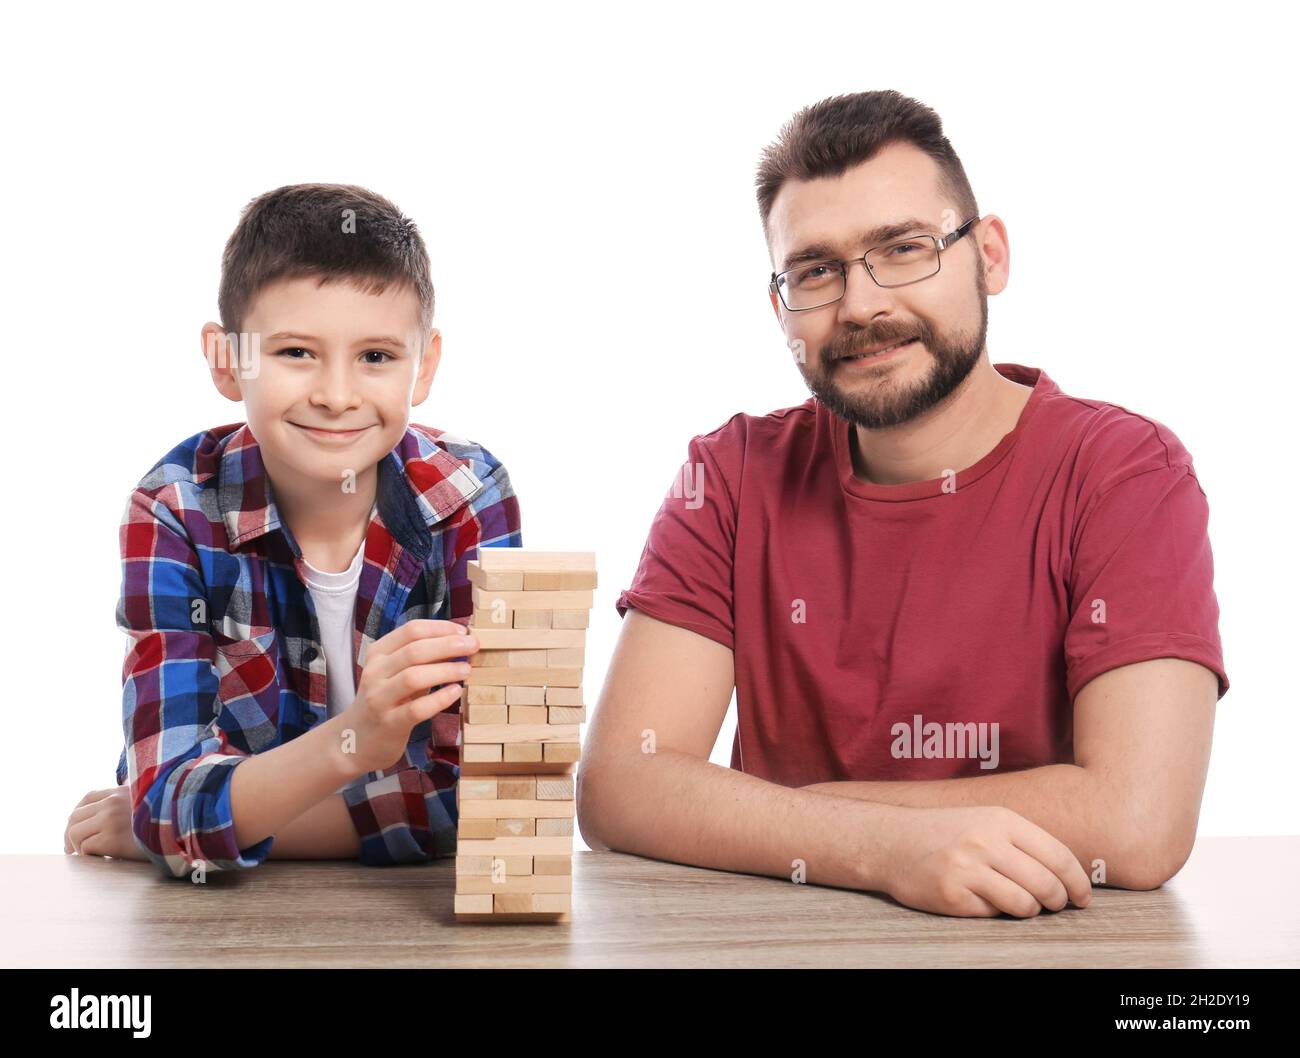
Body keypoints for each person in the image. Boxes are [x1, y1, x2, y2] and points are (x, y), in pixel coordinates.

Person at [579, 90, 1228, 918]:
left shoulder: (1127, 474)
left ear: (988, 255)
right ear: (782, 309)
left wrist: (765, 817)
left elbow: (1138, 823)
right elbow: (623, 786)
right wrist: (889, 849)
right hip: (783, 947)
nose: (862, 305)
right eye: (816, 271)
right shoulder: (730, 474)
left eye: (904, 248)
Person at [64, 184, 515, 876]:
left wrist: (196, 827)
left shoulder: (467, 496)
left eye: (376, 357)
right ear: (226, 359)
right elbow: (167, 801)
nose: (337, 395)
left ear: (422, 366)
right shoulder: (174, 509)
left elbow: (482, 800)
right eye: (297, 352)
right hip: (224, 929)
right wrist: (358, 743)